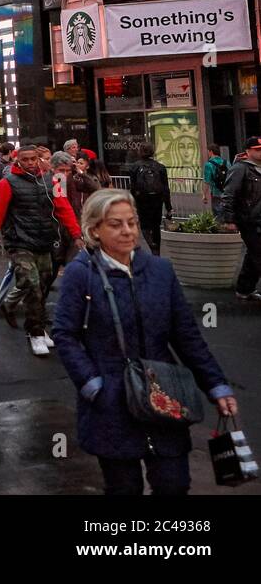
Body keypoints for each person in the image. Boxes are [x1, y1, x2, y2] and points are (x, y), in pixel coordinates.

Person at [52, 189, 239, 495]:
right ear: (94, 230)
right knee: (124, 488)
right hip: (111, 399)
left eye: (132, 222)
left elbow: (187, 335)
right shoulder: (80, 275)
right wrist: (92, 384)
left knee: (174, 485)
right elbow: (65, 334)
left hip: (164, 395)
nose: (127, 231)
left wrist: (216, 385)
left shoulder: (159, 271)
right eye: (115, 224)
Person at [0, 145, 82, 356]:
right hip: (19, 241)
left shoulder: (54, 180)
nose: (30, 163)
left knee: (43, 284)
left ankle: (21, 314)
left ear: (38, 159)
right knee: (32, 284)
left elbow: (63, 207)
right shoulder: (6, 184)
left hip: (44, 240)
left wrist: (76, 234)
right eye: (26, 159)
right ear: (17, 160)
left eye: (33, 159)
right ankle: (36, 331)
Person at [220, 135, 261, 302]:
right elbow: (229, 194)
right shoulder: (240, 169)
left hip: (258, 218)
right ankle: (245, 288)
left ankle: (245, 288)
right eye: (257, 150)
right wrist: (229, 219)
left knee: (254, 255)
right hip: (249, 220)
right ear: (248, 151)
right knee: (258, 254)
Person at [128, 142, 172, 254]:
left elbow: (133, 187)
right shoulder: (160, 167)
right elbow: (166, 188)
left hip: (141, 200)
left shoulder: (135, 167)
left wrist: (133, 203)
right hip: (157, 199)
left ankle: (151, 243)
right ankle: (156, 249)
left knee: (144, 224)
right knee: (156, 224)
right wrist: (168, 207)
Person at [68, 151, 100, 221]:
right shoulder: (74, 177)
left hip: (89, 213)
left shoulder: (92, 178)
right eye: (77, 163)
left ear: (87, 166)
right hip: (76, 214)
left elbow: (94, 187)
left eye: (81, 163)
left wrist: (82, 174)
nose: (78, 165)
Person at [202, 144, 228, 217]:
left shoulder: (208, 164)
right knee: (227, 214)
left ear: (211, 152)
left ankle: (220, 227)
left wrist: (204, 195)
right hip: (227, 193)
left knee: (218, 214)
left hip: (216, 193)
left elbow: (207, 181)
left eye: (208, 151)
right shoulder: (226, 162)